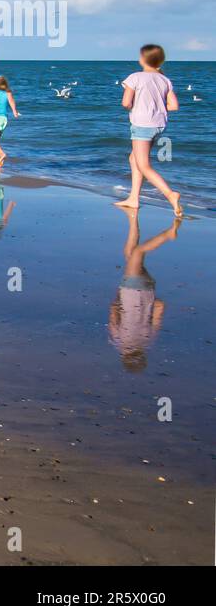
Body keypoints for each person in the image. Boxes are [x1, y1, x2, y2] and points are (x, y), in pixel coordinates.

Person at [114, 44, 182, 216]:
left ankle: (170, 194)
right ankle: (133, 199)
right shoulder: (164, 80)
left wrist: (136, 107)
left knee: (144, 165)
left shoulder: (135, 77)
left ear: (142, 59)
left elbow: (125, 103)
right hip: (158, 125)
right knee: (134, 158)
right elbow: (173, 106)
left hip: (142, 125)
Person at [108, 210, 180, 371]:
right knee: (138, 252)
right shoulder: (118, 340)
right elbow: (113, 309)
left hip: (148, 289)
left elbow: (160, 307)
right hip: (130, 288)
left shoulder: (148, 340)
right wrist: (120, 296)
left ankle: (133, 222)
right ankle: (167, 235)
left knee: (130, 255)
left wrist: (148, 301)